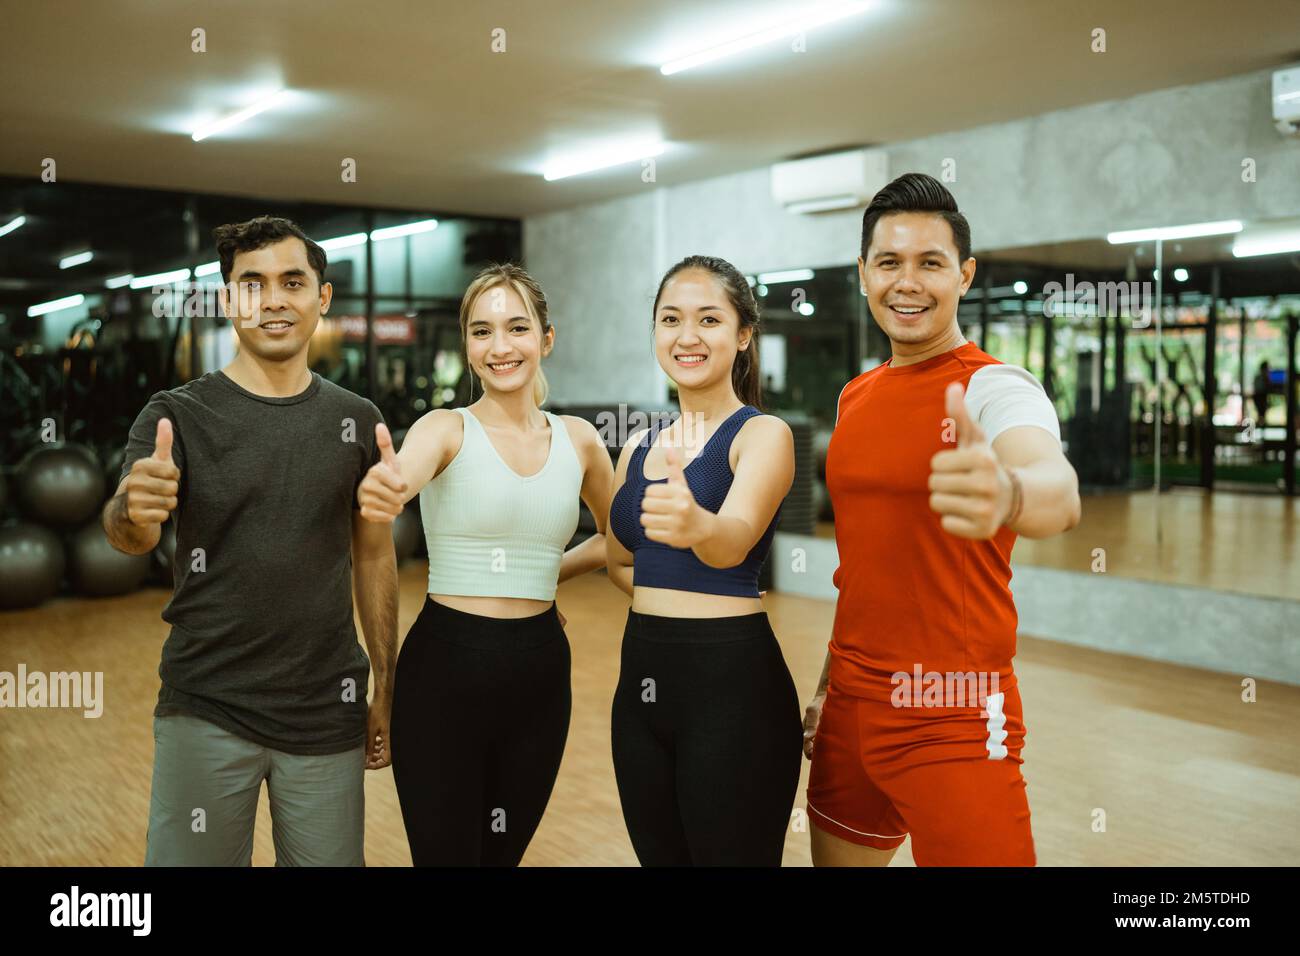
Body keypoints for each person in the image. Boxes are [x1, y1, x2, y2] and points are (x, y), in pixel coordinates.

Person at [803, 173, 1081, 867]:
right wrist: (828, 683)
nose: (908, 282)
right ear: (863, 273)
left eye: (930, 263)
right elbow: (863, 564)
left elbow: (1059, 489)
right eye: (889, 262)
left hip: (954, 711)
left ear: (965, 274)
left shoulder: (993, 388)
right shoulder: (855, 397)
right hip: (851, 705)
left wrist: (1009, 494)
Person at [104, 215, 397, 866]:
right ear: (227, 298)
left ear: (322, 297)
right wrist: (133, 508)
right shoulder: (174, 415)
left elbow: (375, 556)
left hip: (327, 709)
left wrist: (385, 684)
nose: (272, 300)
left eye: (292, 282)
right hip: (206, 703)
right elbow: (127, 533)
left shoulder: (358, 421)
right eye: (251, 283)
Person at [356, 263, 614, 866]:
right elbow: (400, 475)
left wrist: (542, 576)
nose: (500, 347)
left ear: (546, 339)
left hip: (541, 675)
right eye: (481, 331)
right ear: (467, 347)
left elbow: (615, 541)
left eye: (517, 328)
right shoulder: (445, 429)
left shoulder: (579, 440)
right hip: (445, 672)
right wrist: (384, 488)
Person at [606, 254, 801, 866]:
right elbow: (621, 563)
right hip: (640, 686)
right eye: (671, 319)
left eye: (709, 319)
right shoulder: (638, 444)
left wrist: (697, 526)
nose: (687, 336)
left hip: (732, 688)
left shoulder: (762, 436)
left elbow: (735, 538)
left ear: (743, 335)